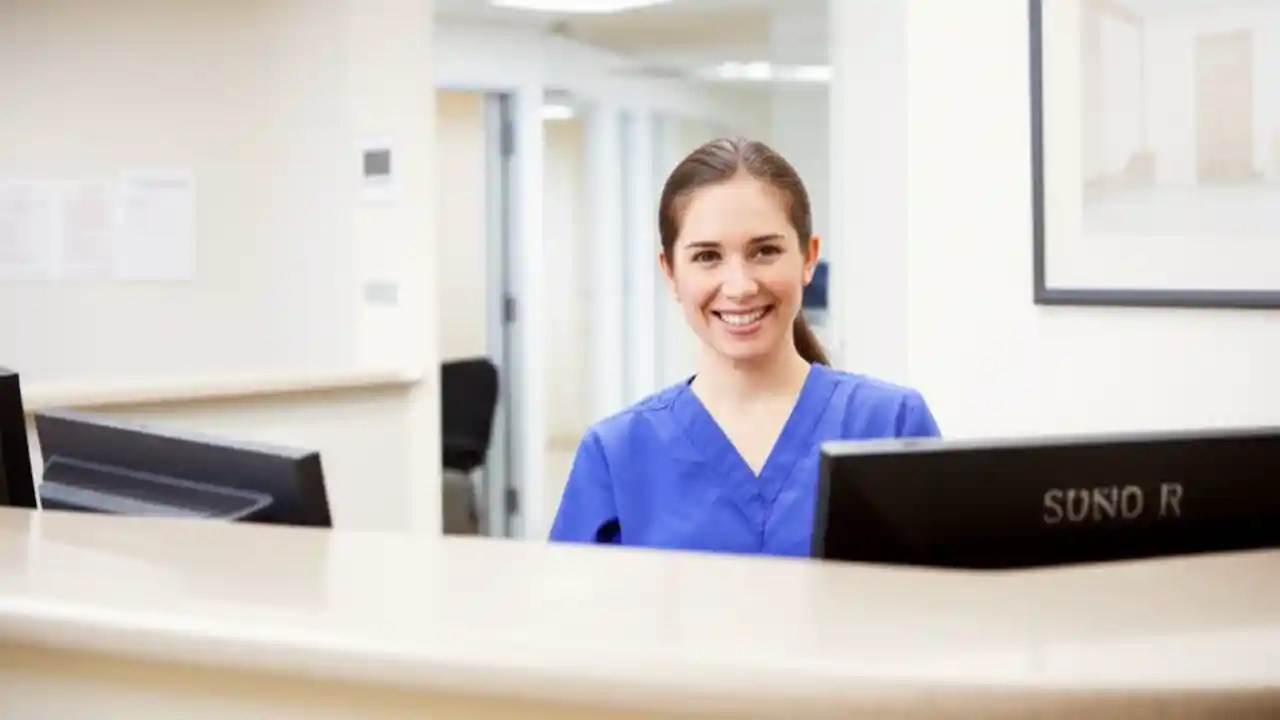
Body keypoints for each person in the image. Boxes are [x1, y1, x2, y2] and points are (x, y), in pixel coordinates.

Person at [549, 136, 940, 557]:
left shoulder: (890, 427)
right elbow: (576, 617)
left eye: (765, 251)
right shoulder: (617, 455)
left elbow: (951, 606)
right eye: (707, 257)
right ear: (669, 272)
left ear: (809, 258)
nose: (739, 286)